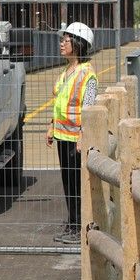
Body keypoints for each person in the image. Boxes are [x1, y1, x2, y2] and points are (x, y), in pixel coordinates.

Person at [45, 21, 97, 245]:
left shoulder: (87, 75)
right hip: (62, 136)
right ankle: (72, 223)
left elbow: (89, 107)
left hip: (75, 139)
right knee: (68, 183)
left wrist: (83, 136)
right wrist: (51, 127)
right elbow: (60, 103)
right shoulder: (67, 72)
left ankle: (78, 227)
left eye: (65, 40)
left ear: (77, 44)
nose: (61, 44)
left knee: (76, 184)